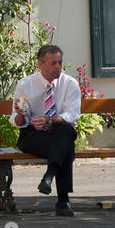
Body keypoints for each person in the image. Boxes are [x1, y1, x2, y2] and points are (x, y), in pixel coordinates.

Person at [10, 44, 81, 216]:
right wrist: (21, 115)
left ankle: (49, 177)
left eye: (60, 62)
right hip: (33, 136)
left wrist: (49, 119)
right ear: (40, 64)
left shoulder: (69, 84)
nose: (58, 67)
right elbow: (18, 121)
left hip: (57, 132)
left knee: (65, 130)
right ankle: (63, 201)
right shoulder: (26, 84)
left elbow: (73, 115)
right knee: (67, 144)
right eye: (53, 63)